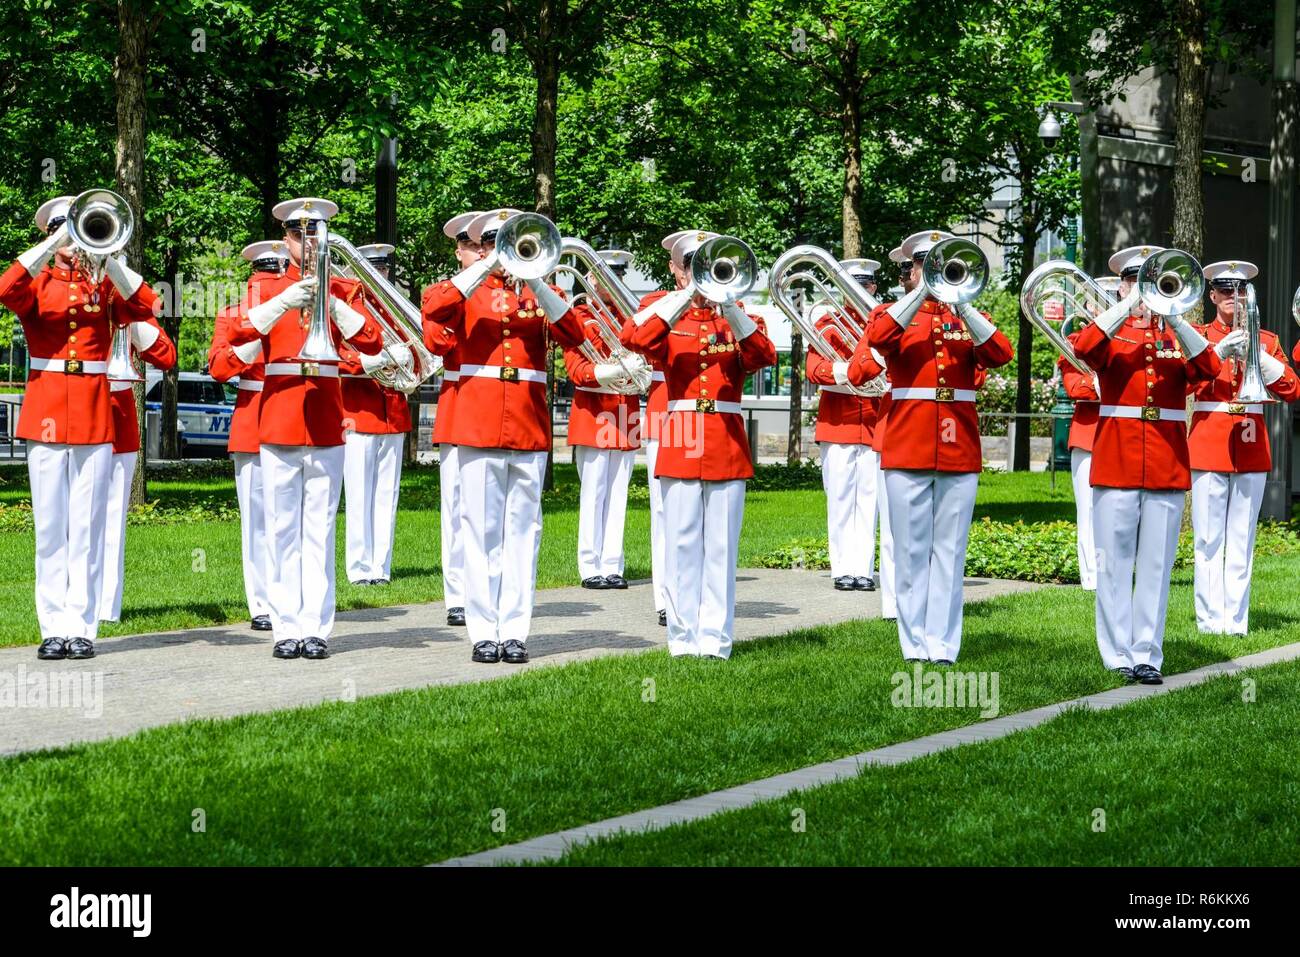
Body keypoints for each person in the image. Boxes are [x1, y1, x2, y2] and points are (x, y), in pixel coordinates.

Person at [0, 194, 163, 660]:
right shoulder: (38, 283)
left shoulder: (105, 286)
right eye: (65, 232)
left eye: (78, 231)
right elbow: (6, 287)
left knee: (88, 527)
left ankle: (82, 627)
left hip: (94, 414)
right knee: (52, 527)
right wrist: (53, 244)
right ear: (52, 235)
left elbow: (148, 303)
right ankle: (52, 626)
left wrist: (108, 260)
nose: (75, 242)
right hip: (46, 410)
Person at [421, 208, 586, 664]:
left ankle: (515, 630)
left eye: (507, 241)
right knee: (479, 529)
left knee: (523, 531)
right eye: (492, 241)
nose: (501, 250)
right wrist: (481, 269)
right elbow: (433, 310)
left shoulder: (539, 291)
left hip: (529, 422)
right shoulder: (464, 290)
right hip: (476, 420)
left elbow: (574, 333)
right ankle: (482, 632)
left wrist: (534, 280)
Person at [225, 197, 387, 660]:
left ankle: (316, 627)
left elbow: (371, 340)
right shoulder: (265, 288)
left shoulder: (344, 287)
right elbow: (236, 334)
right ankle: (284, 628)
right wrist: (282, 302)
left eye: (314, 231)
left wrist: (332, 306)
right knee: (280, 529)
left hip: (325, 419)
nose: (307, 239)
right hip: (278, 415)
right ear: (285, 240)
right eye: (298, 233)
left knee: (318, 530)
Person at [1073, 244, 1229, 684]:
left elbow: (1211, 367)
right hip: (1117, 460)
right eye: (1136, 277)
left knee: (1156, 566)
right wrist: (1125, 307)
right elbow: (1085, 347)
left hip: (1165, 462)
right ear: (1122, 283)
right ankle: (1117, 652)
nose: (1144, 284)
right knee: (1114, 563)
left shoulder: (1178, 335)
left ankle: (1147, 654)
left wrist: (1176, 317)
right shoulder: (1113, 332)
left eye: (1152, 276)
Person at [622, 230, 777, 659]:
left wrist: (726, 301)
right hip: (680, 433)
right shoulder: (662, 311)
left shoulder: (738, 314)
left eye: (705, 262)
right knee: (681, 543)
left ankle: (716, 640)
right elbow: (634, 339)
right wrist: (686, 295)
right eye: (689, 263)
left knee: (722, 549)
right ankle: (682, 638)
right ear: (676, 269)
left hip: (726, 438)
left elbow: (764, 356)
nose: (699, 270)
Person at [864, 229, 1014, 665]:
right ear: (911, 271)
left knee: (950, 552)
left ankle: (943, 646)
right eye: (924, 263)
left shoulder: (967, 317)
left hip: (958, 449)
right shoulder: (893, 314)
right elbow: (878, 338)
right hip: (907, 446)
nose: (932, 270)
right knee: (911, 553)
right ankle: (914, 645)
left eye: (941, 262)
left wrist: (961, 302)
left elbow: (1001, 354)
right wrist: (922, 294)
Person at [1188, 260, 1299, 634]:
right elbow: (1183, 385)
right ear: (1213, 295)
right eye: (1226, 290)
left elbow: (1292, 390)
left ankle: (1235, 622)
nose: (1233, 297)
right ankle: (1208, 621)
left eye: (1240, 290)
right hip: (1209, 441)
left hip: (1251, 443)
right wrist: (1215, 352)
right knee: (1207, 539)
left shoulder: (1266, 339)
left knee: (1241, 539)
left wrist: (1258, 353)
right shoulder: (1198, 334)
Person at [207, 240, 283, 631]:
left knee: (277, 519)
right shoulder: (235, 314)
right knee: (260, 520)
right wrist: (257, 338)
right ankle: (263, 603)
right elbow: (219, 368)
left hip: (290, 413)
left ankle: (282, 599)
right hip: (254, 414)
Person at [563, 249, 647, 590]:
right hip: (593, 414)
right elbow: (576, 370)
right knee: (594, 493)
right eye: (604, 277)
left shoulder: (633, 317)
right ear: (592, 280)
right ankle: (589, 566)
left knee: (619, 494)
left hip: (625, 413)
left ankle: (613, 564)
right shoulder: (580, 316)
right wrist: (609, 369)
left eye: (618, 277)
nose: (613, 284)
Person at [804, 257, 884, 591]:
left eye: (864, 286)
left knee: (870, 498)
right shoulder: (827, 323)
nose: (859, 293)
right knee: (839, 498)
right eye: (852, 287)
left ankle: (862, 569)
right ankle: (842, 569)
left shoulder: (885, 323)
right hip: (838, 421)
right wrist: (851, 374)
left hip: (876, 422)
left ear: (873, 288)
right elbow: (814, 369)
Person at [339, 242, 412, 587]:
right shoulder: (344, 306)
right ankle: (358, 568)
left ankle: (381, 567)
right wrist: (371, 362)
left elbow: (414, 346)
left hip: (393, 410)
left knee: (387, 494)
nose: (380, 275)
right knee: (358, 494)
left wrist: (410, 367)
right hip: (358, 411)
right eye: (373, 269)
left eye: (383, 270)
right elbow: (337, 358)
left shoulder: (394, 308)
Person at [423, 212, 483, 627]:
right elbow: (435, 339)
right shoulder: (446, 293)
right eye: (473, 247)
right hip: (461, 404)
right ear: (460, 251)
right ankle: (458, 595)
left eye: (487, 245)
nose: (481, 253)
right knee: (458, 507)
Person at [100, 314, 176, 624]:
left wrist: (130, 317)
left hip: (118, 418)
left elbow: (166, 354)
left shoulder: (125, 303)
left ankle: (106, 605)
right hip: (71, 414)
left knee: (112, 519)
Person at [1057, 337, 1101, 591]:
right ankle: (1092, 577)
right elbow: (1074, 387)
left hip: (1127, 435)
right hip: (1090, 434)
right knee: (1089, 511)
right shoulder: (1077, 341)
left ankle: (1118, 570)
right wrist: (1100, 383)